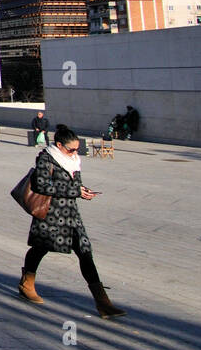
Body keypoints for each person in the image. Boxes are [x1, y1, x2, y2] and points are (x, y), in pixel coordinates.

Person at [18, 124, 126, 318]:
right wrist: (75, 191)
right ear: (59, 145)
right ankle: (27, 284)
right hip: (50, 214)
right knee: (40, 248)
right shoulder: (46, 158)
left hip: (71, 215)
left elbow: (74, 184)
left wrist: (82, 190)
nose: (75, 152)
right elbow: (41, 185)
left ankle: (103, 303)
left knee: (85, 253)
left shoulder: (74, 160)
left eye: (77, 149)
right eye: (71, 149)